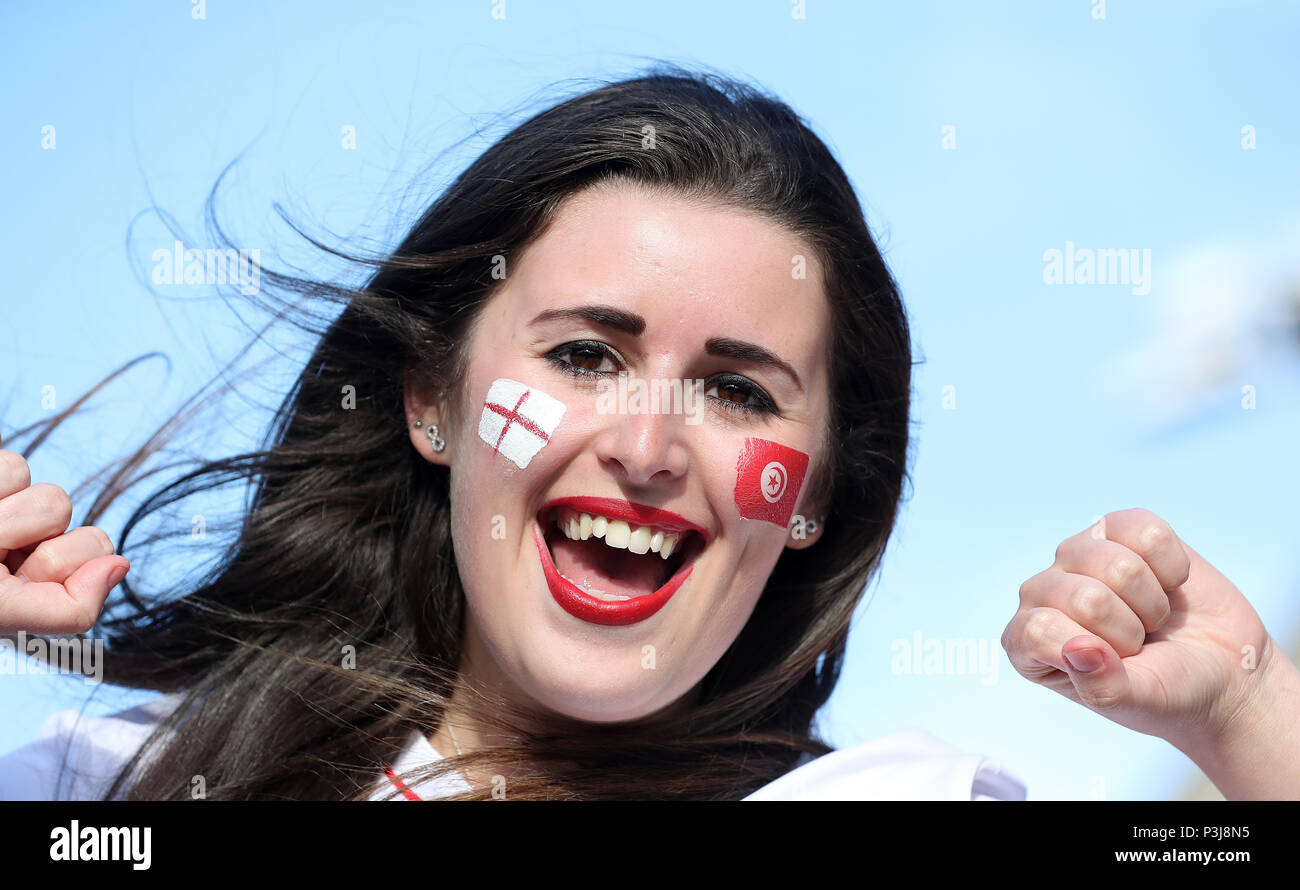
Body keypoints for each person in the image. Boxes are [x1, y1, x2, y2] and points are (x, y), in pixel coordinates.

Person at [1, 67, 1296, 801]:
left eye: (741, 391)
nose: (651, 443)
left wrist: (1248, 713)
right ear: (433, 398)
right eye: (583, 355)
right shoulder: (116, 788)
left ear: (811, 500)